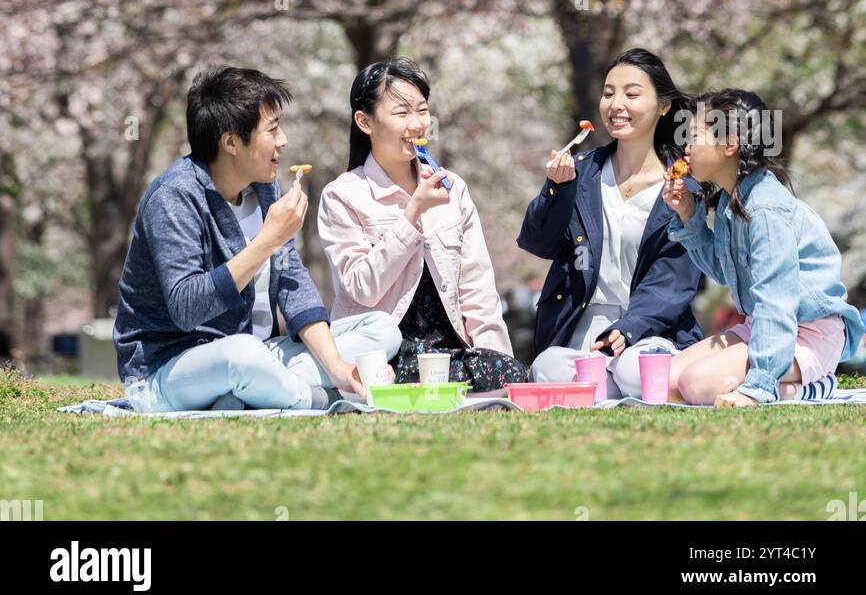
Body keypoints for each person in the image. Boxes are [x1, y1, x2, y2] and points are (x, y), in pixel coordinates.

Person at [113, 66, 400, 412]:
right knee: (241, 356)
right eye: (273, 129)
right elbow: (186, 307)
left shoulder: (264, 189)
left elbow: (293, 284)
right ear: (231, 142)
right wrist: (267, 240)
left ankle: (253, 393)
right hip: (168, 370)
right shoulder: (174, 197)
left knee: (382, 330)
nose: (283, 141)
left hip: (259, 352)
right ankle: (319, 399)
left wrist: (337, 366)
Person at [317, 58, 527, 391]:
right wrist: (412, 213)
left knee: (509, 372)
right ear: (365, 121)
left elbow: (477, 288)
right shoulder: (342, 196)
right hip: (385, 356)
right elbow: (361, 287)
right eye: (401, 114)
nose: (417, 124)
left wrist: (499, 364)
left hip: (450, 354)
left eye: (422, 111)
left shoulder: (452, 188)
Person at [519, 48, 703, 398]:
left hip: (652, 330)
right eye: (608, 93)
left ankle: (612, 387)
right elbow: (537, 242)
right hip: (582, 334)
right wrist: (556, 191)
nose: (616, 104)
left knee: (636, 371)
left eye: (632, 94)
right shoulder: (581, 170)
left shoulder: (683, 186)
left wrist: (631, 328)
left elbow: (674, 280)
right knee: (547, 366)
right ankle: (609, 387)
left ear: (663, 106)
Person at [664, 87, 865, 406]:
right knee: (667, 383)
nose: (685, 148)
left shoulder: (765, 211)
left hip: (806, 334)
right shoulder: (735, 202)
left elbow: (777, 301)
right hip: (762, 326)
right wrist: (690, 217)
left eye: (694, 136)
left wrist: (757, 387)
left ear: (730, 144)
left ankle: (811, 387)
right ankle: (776, 382)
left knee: (695, 385)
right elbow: (724, 270)